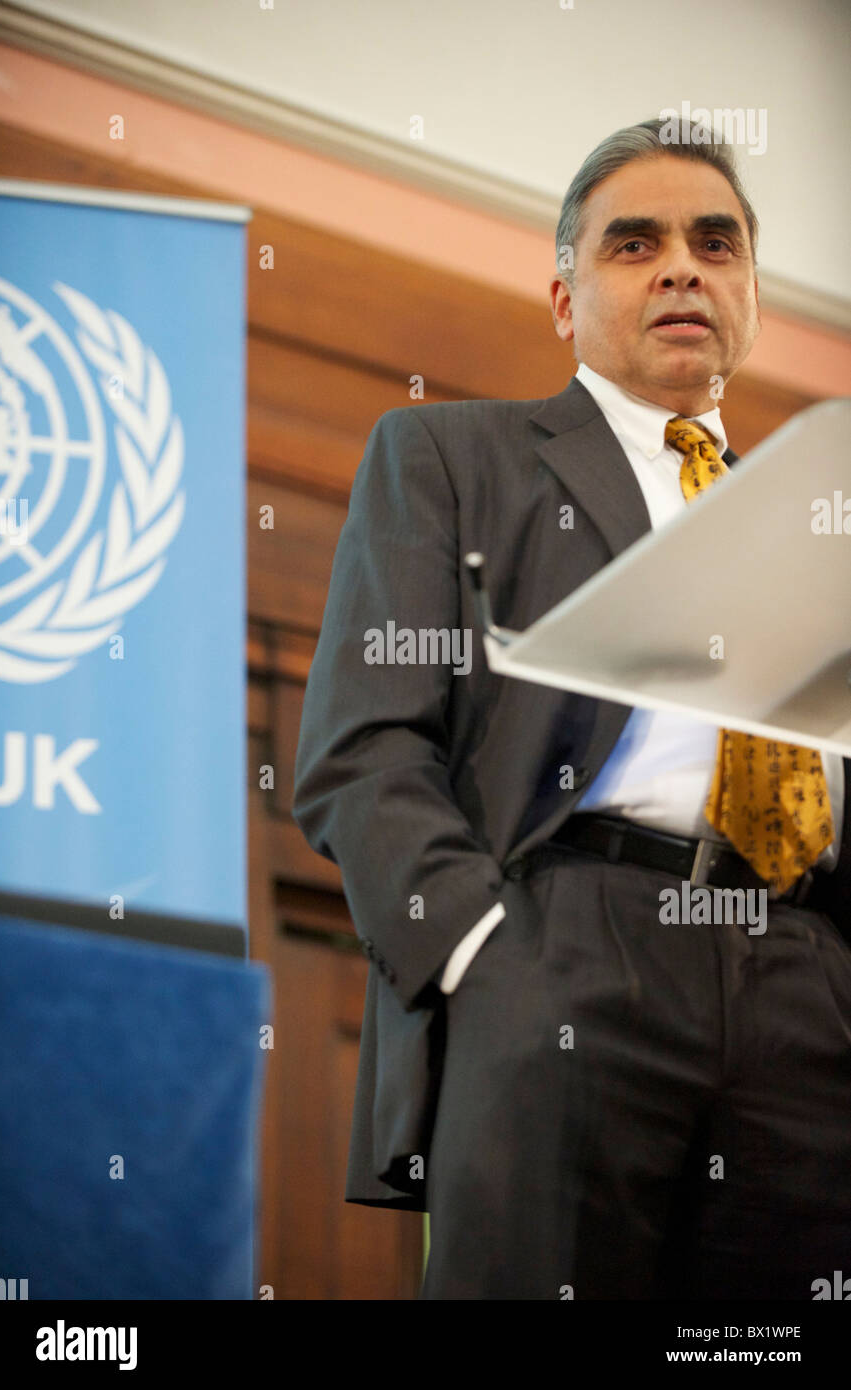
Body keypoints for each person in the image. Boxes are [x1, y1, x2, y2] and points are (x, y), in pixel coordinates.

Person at [292, 117, 851, 1299]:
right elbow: (363, 748)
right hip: (569, 950)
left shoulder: (823, 518)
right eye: (633, 244)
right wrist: (482, 956)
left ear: (750, 289)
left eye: (715, 242)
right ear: (563, 298)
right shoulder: (449, 456)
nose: (682, 268)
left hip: (806, 979)